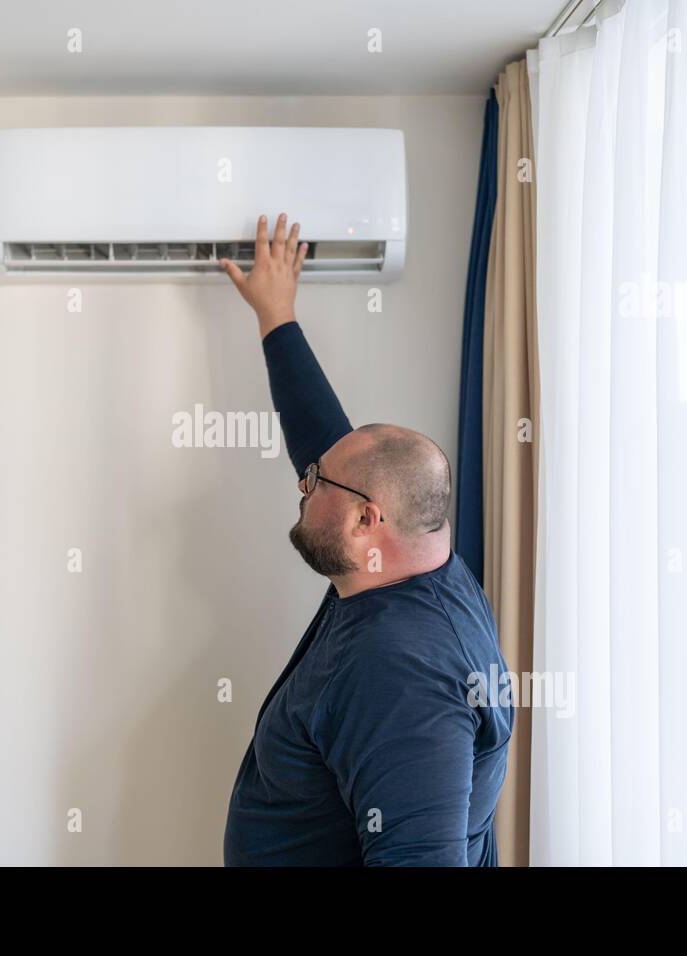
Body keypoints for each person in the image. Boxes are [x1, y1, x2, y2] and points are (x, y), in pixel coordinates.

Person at [219, 213, 512, 866]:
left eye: (316, 482)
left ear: (365, 521)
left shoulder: (401, 671)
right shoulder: (415, 561)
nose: (304, 482)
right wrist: (276, 313)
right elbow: (326, 441)